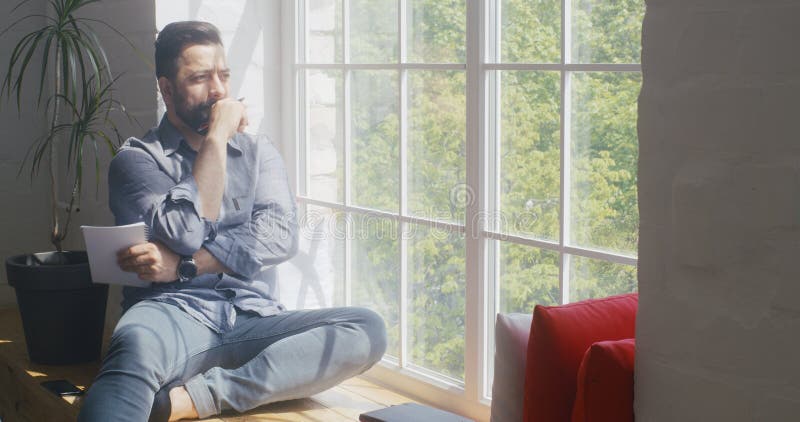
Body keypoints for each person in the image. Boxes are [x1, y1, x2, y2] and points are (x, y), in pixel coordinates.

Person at [77, 21, 386, 422]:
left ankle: (195, 399)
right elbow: (187, 231)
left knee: (366, 328)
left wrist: (184, 265)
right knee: (130, 355)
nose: (219, 90)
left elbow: (280, 237)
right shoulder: (137, 161)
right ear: (166, 88)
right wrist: (217, 139)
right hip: (170, 312)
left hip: (254, 316)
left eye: (223, 75)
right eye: (201, 78)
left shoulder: (260, 154)